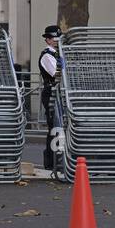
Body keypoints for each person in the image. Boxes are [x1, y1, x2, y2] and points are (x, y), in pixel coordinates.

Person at [38, 24, 64, 170]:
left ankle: (58, 160)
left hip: (59, 92)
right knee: (54, 126)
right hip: (51, 92)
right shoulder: (48, 55)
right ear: (48, 40)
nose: (57, 40)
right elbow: (57, 75)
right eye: (54, 38)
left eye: (58, 37)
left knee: (60, 125)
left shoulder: (59, 53)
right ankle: (51, 162)